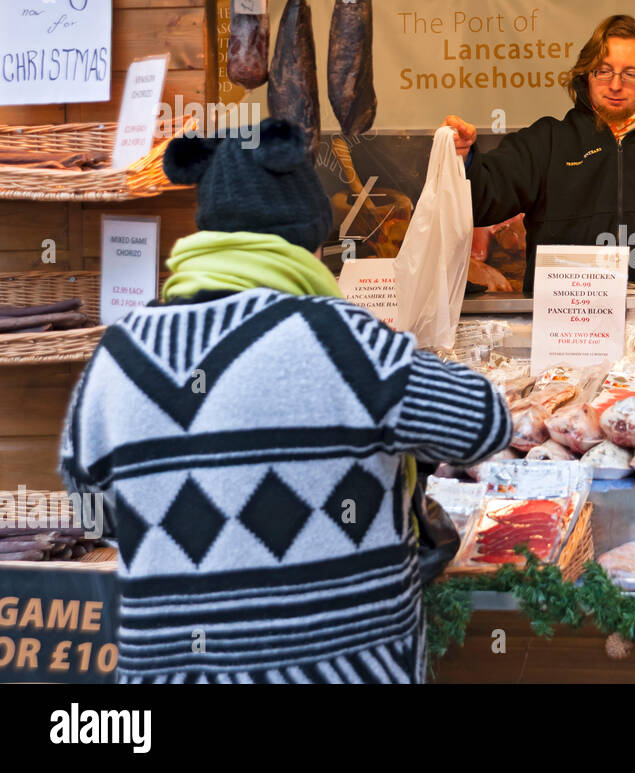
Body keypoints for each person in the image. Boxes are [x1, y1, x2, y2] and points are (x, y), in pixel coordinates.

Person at [58, 118, 512, 684]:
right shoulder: (343, 339)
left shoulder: (122, 351)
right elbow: (485, 422)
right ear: (310, 239)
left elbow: (94, 510)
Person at [443, 14, 635, 290]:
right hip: (565, 325)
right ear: (586, 75)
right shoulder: (547, 141)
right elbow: (481, 202)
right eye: (604, 71)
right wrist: (464, 158)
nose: (616, 85)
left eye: (631, 74)